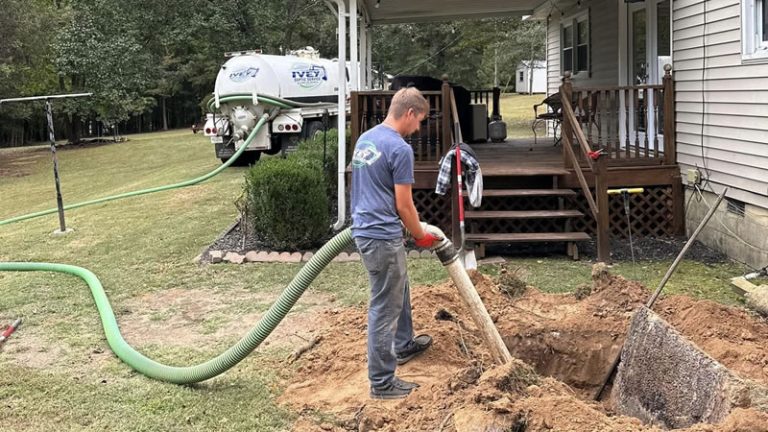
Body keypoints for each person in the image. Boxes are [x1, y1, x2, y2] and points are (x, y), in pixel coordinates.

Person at [350, 87, 441, 400]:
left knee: (397, 290)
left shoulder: (367, 138)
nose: (418, 129)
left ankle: (403, 345)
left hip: (366, 230)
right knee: (384, 307)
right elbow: (404, 205)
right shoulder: (400, 149)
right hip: (381, 236)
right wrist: (420, 235)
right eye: (419, 122)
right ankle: (382, 382)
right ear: (410, 114)